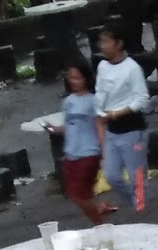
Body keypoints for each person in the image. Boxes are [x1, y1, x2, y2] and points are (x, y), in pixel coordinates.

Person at [95, 26, 151, 214]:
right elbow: (100, 92)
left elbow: (142, 98)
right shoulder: (102, 66)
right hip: (112, 131)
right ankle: (133, 201)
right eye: (101, 41)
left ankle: (141, 206)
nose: (102, 46)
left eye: (106, 41)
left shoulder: (132, 68)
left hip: (132, 131)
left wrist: (119, 113)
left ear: (118, 44)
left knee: (137, 175)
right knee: (112, 176)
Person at [59, 58, 114, 225]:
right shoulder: (67, 102)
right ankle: (98, 212)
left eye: (77, 78)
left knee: (79, 195)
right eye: (71, 78)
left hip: (89, 152)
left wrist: (104, 154)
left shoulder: (94, 101)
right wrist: (54, 129)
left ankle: (100, 225)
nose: (74, 82)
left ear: (86, 79)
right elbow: (68, 126)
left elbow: (100, 127)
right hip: (71, 153)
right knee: (74, 193)